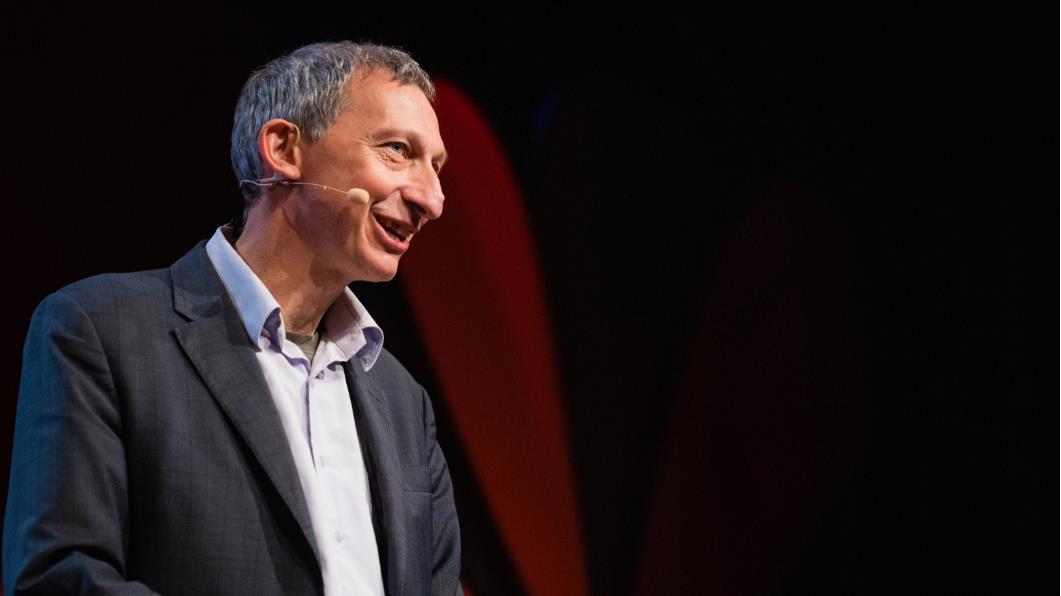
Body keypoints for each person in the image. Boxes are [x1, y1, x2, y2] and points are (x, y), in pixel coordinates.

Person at [3, 41, 462, 595]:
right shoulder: (100, 332)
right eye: (396, 150)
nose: (432, 199)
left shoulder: (403, 401)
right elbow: (59, 579)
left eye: (435, 167)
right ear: (284, 147)